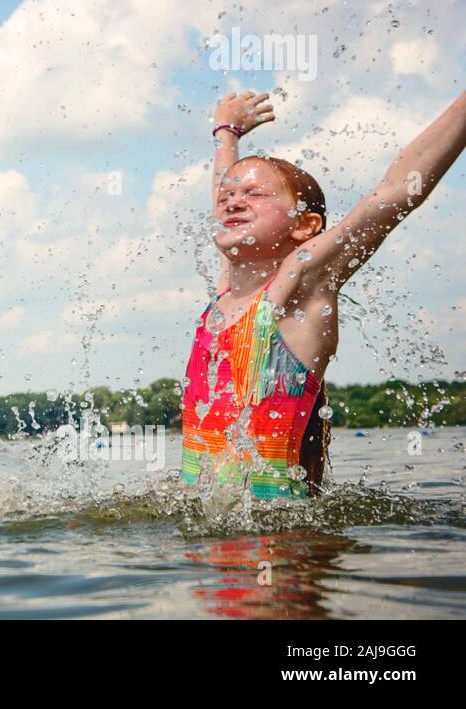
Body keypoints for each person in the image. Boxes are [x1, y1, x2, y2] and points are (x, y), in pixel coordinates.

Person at [180, 90, 466, 499]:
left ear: (306, 225)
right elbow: (226, 190)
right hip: (210, 555)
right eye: (227, 197)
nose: (233, 202)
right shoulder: (225, 292)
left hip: (287, 549)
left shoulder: (298, 286)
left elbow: (394, 194)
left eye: (254, 194)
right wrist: (226, 132)